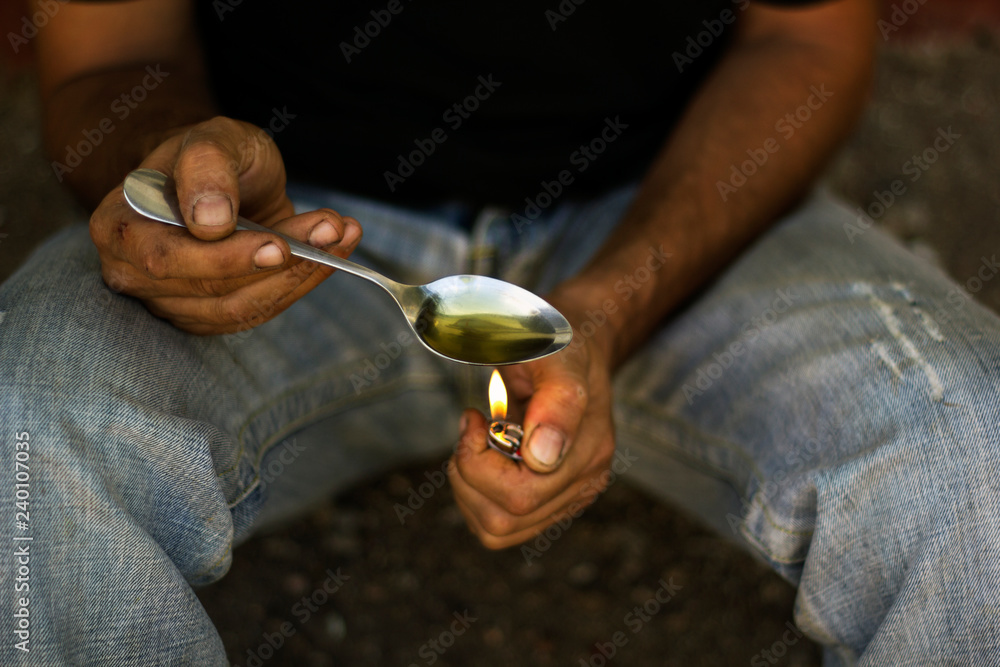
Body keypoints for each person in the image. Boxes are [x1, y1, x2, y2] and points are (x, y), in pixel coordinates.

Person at [2, 0, 998, 663]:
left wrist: (616, 299)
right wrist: (184, 174)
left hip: (665, 210)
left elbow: (805, 40)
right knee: (23, 433)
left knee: (968, 449)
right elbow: (110, 58)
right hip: (294, 230)